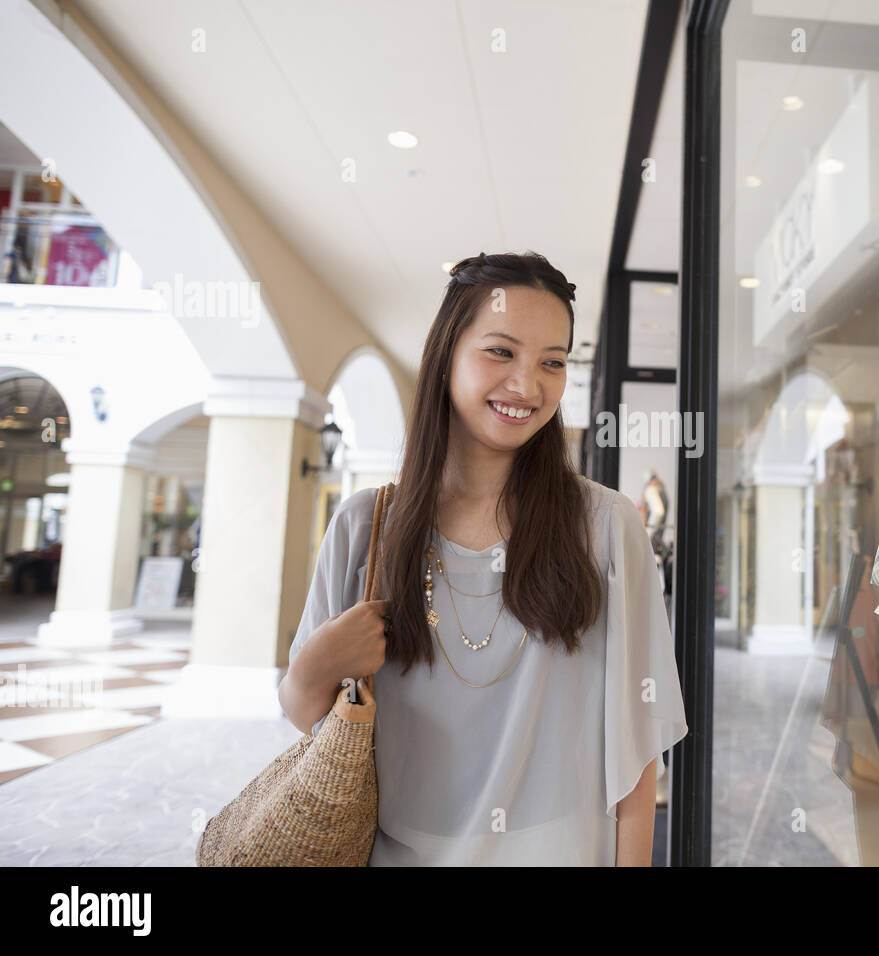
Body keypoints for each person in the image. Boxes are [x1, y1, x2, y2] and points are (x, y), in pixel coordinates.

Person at [278, 251, 688, 866]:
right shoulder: (365, 527)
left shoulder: (605, 526)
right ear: (445, 354)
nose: (528, 384)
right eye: (501, 351)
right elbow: (308, 714)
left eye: (553, 362)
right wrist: (314, 667)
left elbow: (637, 752)